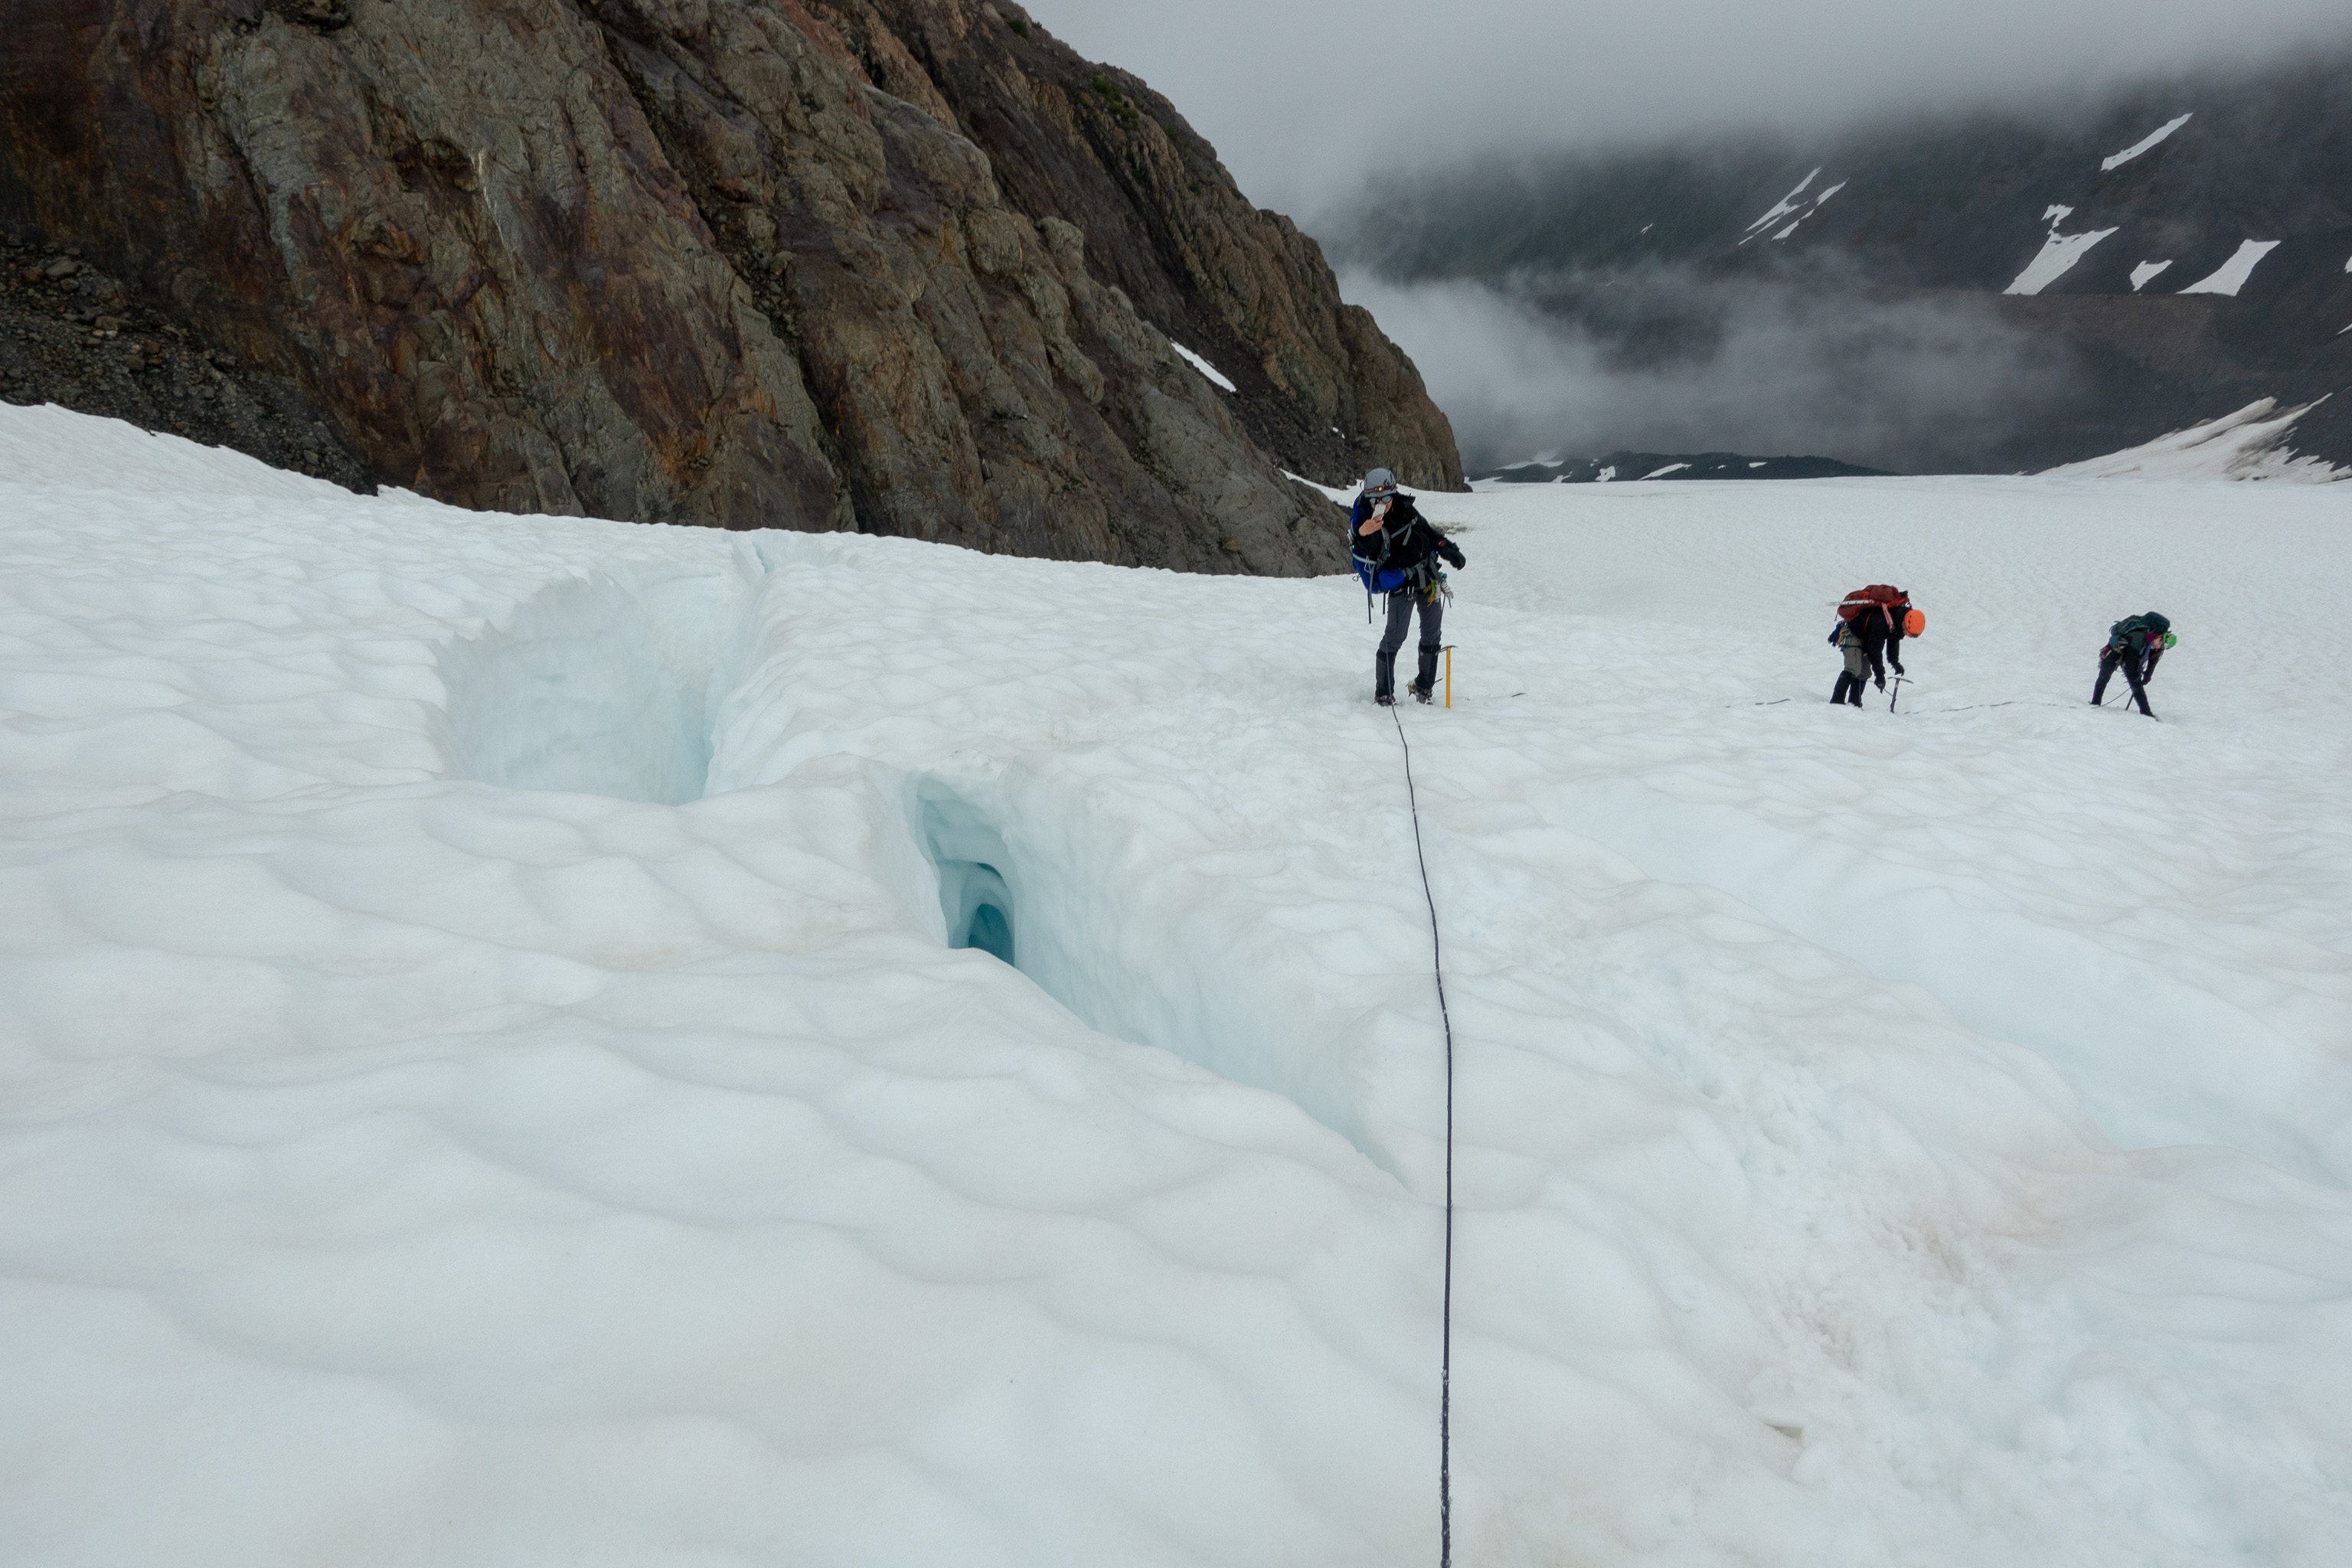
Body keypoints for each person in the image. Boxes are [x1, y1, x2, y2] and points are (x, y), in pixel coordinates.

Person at [1350, 468, 1465, 705]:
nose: (1380, 503)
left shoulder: (1404, 507)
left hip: (1428, 579)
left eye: (1386, 498)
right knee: (1395, 637)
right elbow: (1369, 547)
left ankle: (1424, 688)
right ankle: (1383, 693)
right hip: (1403, 585)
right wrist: (1363, 535)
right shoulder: (1368, 523)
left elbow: (1425, 530)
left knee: (1432, 634)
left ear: (1394, 493)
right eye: (1374, 499)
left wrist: (1447, 548)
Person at [1828, 585, 1911, 707]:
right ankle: (1837, 701)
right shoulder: (1883, 622)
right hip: (1851, 633)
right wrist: (1880, 675)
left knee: (1865, 673)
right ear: (1905, 623)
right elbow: (1874, 651)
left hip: (1865, 637)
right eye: (1907, 632)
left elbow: (1893, 639)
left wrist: (1894, 662)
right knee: (1853, 668)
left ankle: (1855, 703)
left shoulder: (1897, 620)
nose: (1906, 634)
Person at [2094, 612, 2171, 718]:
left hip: (2131, 655)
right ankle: (2095, 703)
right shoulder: (2139, 636)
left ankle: (2145, 712)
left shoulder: (2157, 648)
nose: (2160, 646)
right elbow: (2131, 665)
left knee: (2135, 683)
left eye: (2164, 646)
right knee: (2104, 677)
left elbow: (2152, 664)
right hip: (2115, 651)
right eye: (2161, 642)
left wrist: (2147, 677)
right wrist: (2137, 680)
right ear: (2159, 635)